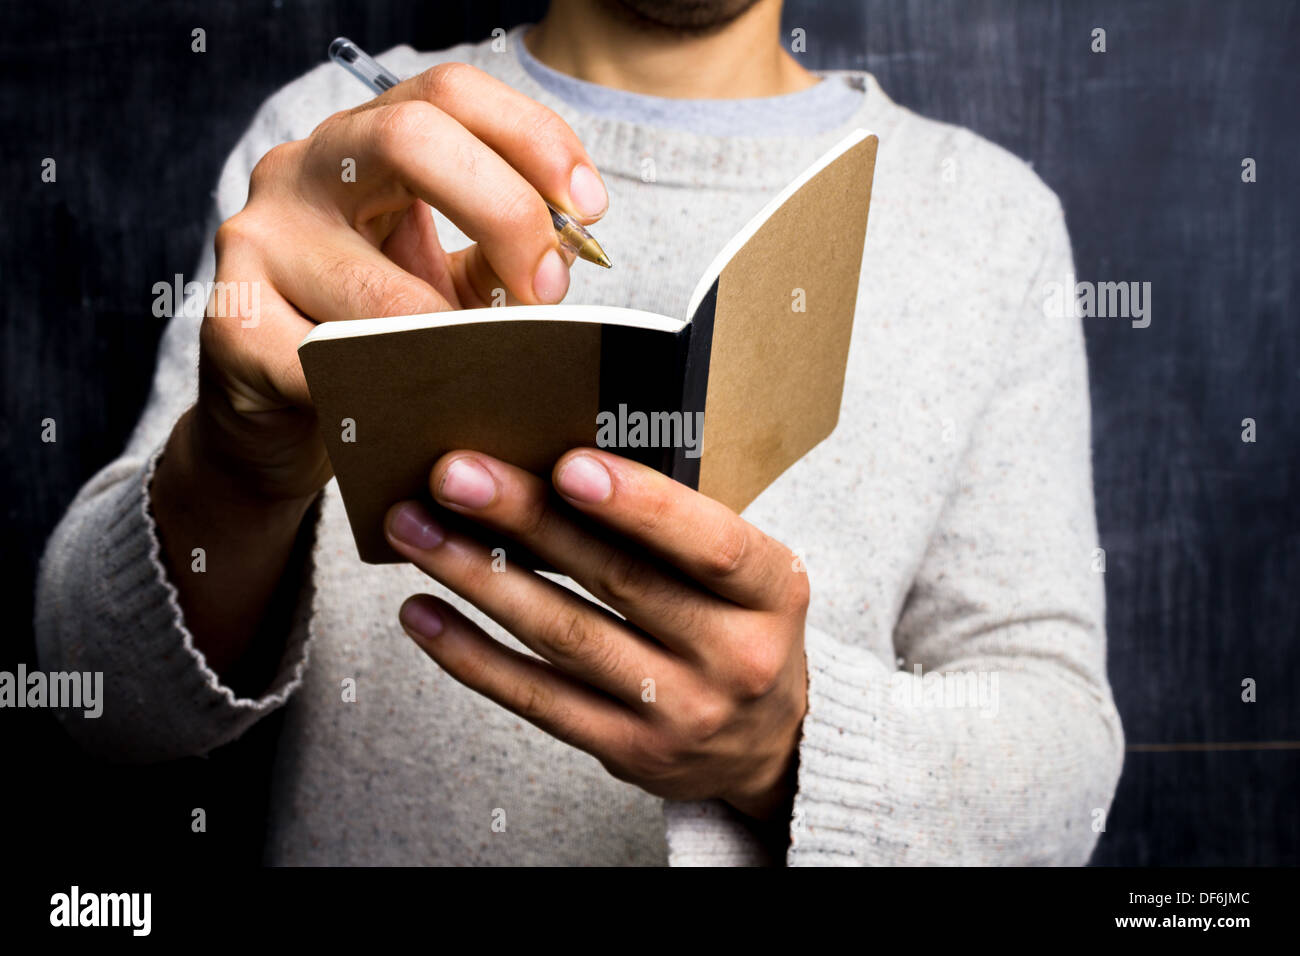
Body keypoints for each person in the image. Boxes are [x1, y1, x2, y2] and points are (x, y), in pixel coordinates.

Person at [35, 0, 1124, 865]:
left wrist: (791, 744)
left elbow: (1062, 764)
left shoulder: (989, 219)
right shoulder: (333, 147)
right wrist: (237, 461)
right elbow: (101, 700)